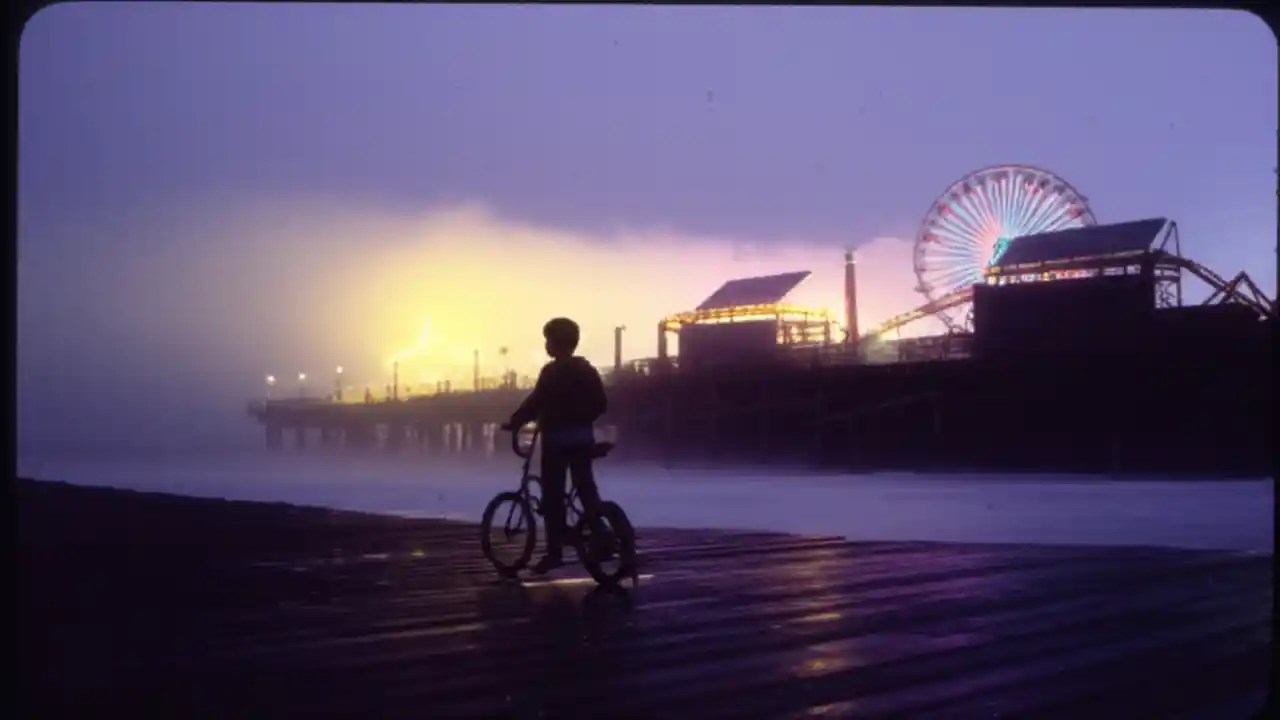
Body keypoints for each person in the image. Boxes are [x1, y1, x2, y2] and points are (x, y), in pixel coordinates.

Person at [501, 317, 608, 574]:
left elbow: (535, 402)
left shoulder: (551, 372)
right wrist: (581, 419)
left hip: (557, 440)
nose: (546, 345)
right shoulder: (587, 370)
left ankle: (554, 553)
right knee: (585, 487)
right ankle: (601, 532)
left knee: (552, 494)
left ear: (555, 343)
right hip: (583, 438)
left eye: (548, 340)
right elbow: (601, 403)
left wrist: (515, 422)